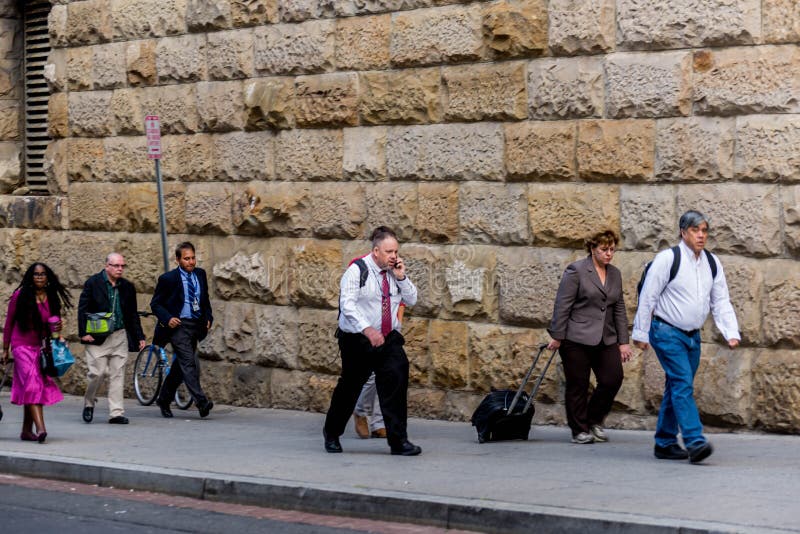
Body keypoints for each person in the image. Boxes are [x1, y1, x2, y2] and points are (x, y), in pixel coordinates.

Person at [633, 210, 739, 463]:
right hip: (665, 331)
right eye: (695, 230)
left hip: (692, 337)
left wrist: (730, 331)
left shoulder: (712, 263)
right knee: (682, 383)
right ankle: (694, 440)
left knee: (676, 386)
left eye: (704, 231)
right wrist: (641, 332)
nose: (701, 235)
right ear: (683, 232)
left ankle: (665, 442)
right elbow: (648, 295)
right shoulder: (667, 259)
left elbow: (720, 300)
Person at [323, 226, 420, 455]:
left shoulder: (394, 272)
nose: (393, 256)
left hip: (387, 337)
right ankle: (332, 433)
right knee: (350, 387)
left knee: (396, 378)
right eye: (388, 251)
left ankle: (399, 441)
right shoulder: (357, 271)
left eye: (395, 251)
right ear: (376, 251)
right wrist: (367, 330)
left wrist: (402, 277)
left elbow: (412, 299)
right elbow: (347, 305)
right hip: (358, 339)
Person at [547, 230, 632, 444]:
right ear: (593, 249)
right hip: (576, 338)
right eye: (604, 249)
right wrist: (557, 336)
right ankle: (579, 429)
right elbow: (562, 304)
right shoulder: (576, 271)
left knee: (613, 378)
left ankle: (594, 420)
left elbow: (619, 308)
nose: (609, 254)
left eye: (612, 249)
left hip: (606, 338)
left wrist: (623, 342)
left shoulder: (615, 274)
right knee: (578, 385)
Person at [2, 263, 73, 443]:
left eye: (42, 274)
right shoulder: (20, 296)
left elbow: (52, 324)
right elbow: (9, 323)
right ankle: (41, 429)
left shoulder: (51, 297)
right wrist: (5, 349)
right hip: (21, 346)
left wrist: (57, 331)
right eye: (36, 274)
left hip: (39, 347)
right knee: (33, 385)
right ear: (30, 277)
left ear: (47, 277)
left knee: (32, 386)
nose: (39, 277)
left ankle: (26, 430)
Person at [78, 253, 146, 425]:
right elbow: (82, 309)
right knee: (96, 373)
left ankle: (116, 413)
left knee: (117, 374)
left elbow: (132, 314)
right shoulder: (93, 283)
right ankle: (89, 402)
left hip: (119, 335)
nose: (120, 269)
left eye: (122, 266)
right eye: (116, 266)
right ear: (107, 266)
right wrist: (82, 333)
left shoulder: (128, 287)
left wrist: (139, 336)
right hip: (97, 336)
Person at [150, 242, 214, 419]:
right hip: (178, 326)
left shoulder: (200, 274)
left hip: (196, 325)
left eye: (193, 258)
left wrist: (208, 318)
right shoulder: (168, 279)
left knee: (180, 367)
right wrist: (168, 318)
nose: (191, 262)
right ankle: (201, 402)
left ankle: (164, 399)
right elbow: (155, 304)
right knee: (188, 362)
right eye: (186, 259)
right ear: (178, 260)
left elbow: (205, 300)